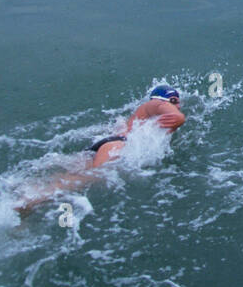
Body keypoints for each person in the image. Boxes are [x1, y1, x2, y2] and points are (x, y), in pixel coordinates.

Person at [16, 85, 185, 216]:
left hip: (108, 143)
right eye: (175, 100)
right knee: (90, 177)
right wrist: (179, 117)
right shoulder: (156, 104)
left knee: (73, 175)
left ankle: (28, 195)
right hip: (118, 145)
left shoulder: (140, 115)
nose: (179, 104)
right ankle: (29, 202)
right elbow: (168, 111)